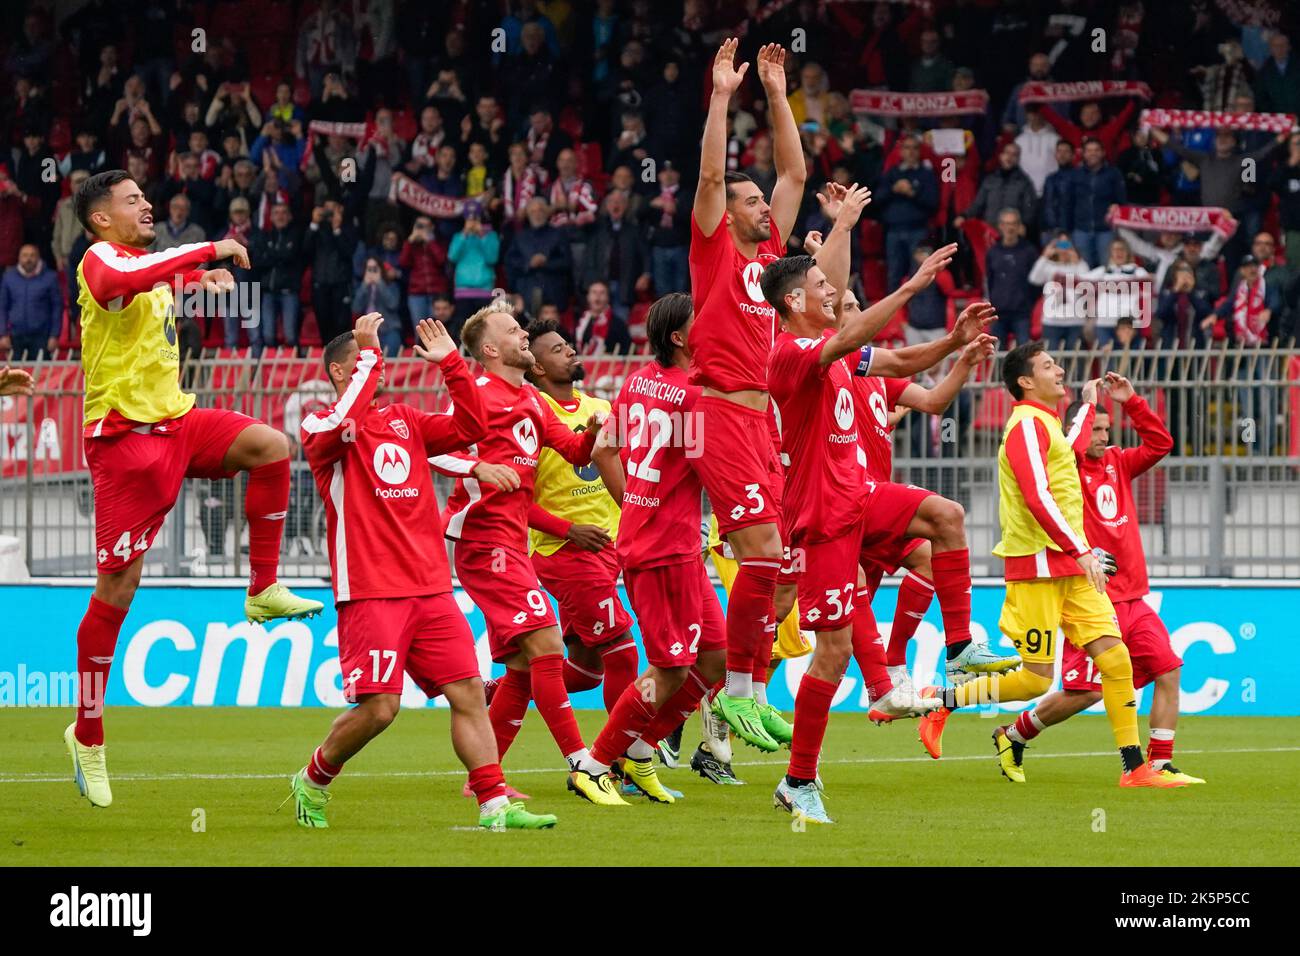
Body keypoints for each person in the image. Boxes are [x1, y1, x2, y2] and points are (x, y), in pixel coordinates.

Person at [63, 170, 323, 810]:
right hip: (126, 443)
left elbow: (149, 285)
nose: (146, 204)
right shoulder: (99, 259)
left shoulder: (148, 269)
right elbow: (122, 283)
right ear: (100, 218)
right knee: (119, 589)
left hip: (177, 424)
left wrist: (194, 282)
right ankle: (88, 735)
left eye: (144, 197)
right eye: (132, 200)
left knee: (271, 447)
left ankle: (262, 587)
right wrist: (209, 251)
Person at [288, 314, 557, 831]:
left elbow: (472, 429)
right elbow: (339, 427)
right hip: (370, 592)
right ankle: (315, 777)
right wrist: (367, 353)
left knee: (469, 694)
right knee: (381, 710)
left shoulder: (405, 420)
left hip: (432, 588)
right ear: (342, 373)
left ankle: (494, 804)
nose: (380, 366)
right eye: (367, 362)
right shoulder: (323, 428)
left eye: (379, 359)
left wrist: (453, 365)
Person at [916, 341, 1184, 788]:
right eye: (1048, 365)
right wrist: (1081, 550)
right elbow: (1037, 496)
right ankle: (941, 699)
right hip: (1039, 568)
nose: (1058, 369)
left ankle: (1135, 769)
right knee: (1036, 681)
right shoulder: (1023, 427)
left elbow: (1077, 441)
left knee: (1115, 662)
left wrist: (1088, 405)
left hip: (1072, 570)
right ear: (1025, 381)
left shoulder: (1051, 426)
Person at [429, 301, 626, 806]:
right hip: (481, 543)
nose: (524, 336)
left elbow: (577, 452)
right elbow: (435, 448)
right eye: (514, 330)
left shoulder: (534, 403)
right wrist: (476, 469)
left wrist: (607, 427)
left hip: (512, 542)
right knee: (547, 646)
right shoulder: (476, 394)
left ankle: (482, 778)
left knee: (521, 668)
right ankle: (582, 762)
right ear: (490, 349)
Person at [997, 373, 1203, 786]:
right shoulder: (1066, 466)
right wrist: (1085, 409)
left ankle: (1157, 764)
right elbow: (1062, 454)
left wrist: (1132, 402)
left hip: (1133, 598)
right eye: (1095, 428)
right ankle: (1014, 733)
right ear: (1076, 428)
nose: (1103, 437)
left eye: (1107, 430)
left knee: (1169, 670)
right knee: (1084, 691)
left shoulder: (1118, 462)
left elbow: (1161, 444)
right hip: (1090, 591)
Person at [687, 41, 806, 751]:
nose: (767, 205)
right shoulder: (716, 251)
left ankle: (754, 692)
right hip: (721, 413)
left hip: (764, 426)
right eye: (753, 200)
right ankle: (734, 694)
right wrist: (725, 95)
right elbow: (709, 173)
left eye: (766, 201)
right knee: (760, 550)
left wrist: (777, 92)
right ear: (726, 214)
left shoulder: (767, 267)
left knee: (776, 561)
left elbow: (794, 169)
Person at [522, 320, 638, 719]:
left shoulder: (601, 409)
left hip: (607, 552)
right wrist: (569, 530)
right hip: (565, 551)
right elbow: (515, 502)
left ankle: (496, 692)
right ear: (536, 368)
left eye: (567, 344)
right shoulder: (532, 416)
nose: (570, 350)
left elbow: (626, 473)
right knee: (623, 652)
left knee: (586, 671)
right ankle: (620, 759)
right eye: (557, 349)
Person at [985, 208, 1037, 347]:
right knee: (997, 355)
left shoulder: (1029, 251)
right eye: (1006, 223)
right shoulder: (993, 252)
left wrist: (1027, 302)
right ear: (1000, 226)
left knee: (1023, 355)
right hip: (998, 312)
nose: (1010, 227)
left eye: (1013, 223)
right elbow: (989, 281)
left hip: (1022, 313)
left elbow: (1036, 282)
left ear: (1019, 225)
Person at [0, 244, 63, 359]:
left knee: (42, 375)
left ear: (38, 257)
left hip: (41, 337)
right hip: (15, 337)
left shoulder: (50, 278)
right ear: (19, 258)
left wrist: (54, 335)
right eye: (25, 255)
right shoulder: (8, 278)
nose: (28, 259)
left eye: (32, 255)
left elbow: (57, 308)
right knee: (16, 374)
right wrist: (3, 334)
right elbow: (2, 307)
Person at [1029, 233, 1091, 350]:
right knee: (1051, 360)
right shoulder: (1048, 266)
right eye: (1060, 244)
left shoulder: (1079, 266)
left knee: (1075, 361)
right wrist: (1044, 257)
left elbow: (1088, 285)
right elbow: (1034, 278)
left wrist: (1078, 262)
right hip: (1051, 321)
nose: (1064, 249)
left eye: (1066, 244)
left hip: (1075, 321)